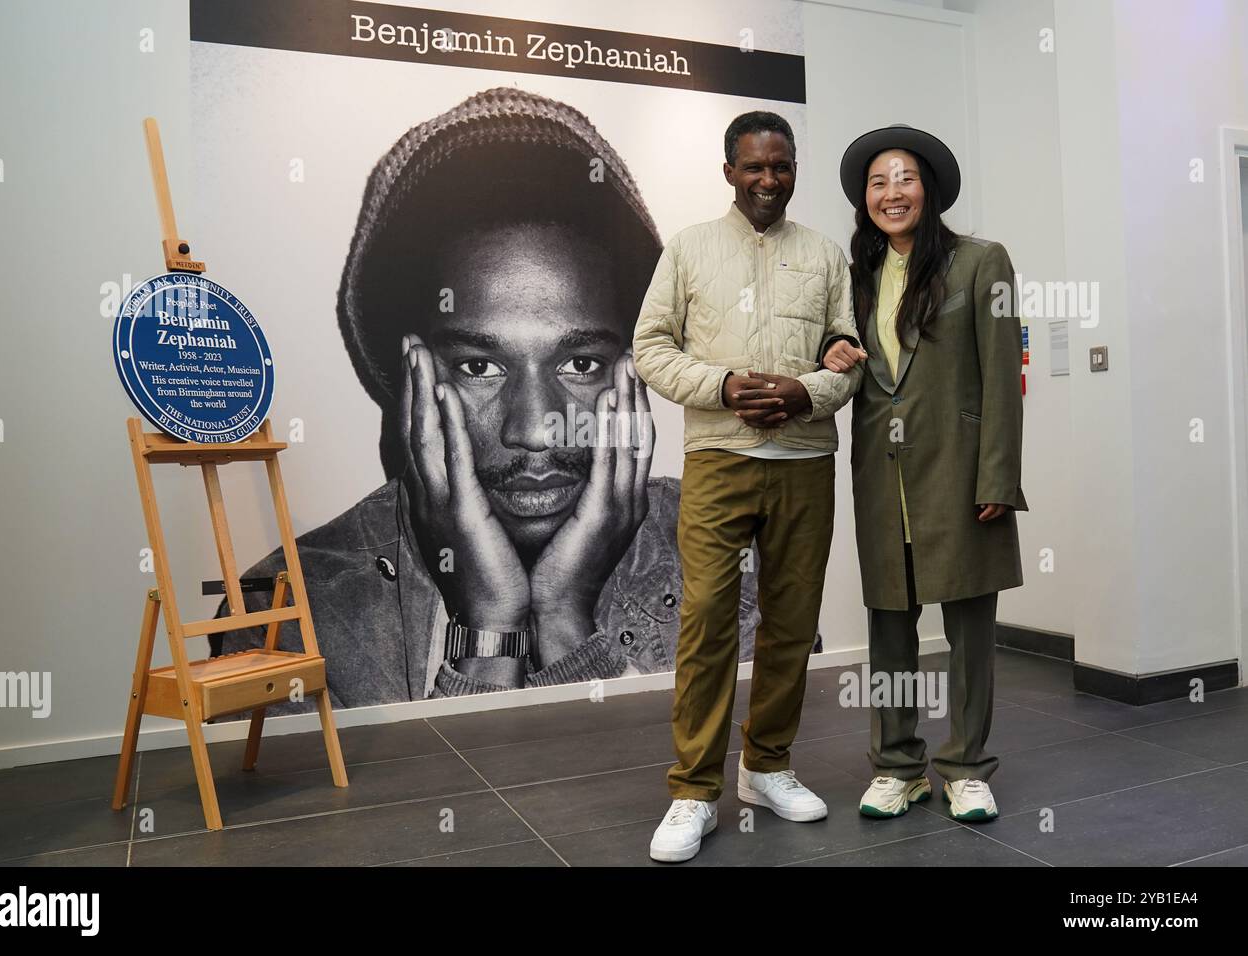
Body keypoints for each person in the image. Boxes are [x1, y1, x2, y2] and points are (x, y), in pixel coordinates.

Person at [214, 88, 765, 708]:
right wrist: (489, 635)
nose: (535, 430)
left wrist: (565, 618)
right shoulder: (289, 610)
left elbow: (733, 784)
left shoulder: (721, 546)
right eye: (479, 366)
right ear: (412, 377)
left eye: (580, 363)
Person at [634, 111, 862, 862]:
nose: (769, 180)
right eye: (755, 167)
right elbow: (650, 349)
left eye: (782, 166)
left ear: (794, 169)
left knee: (792, 622)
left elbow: (848, 353)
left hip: (804, 463)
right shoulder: (689, 249)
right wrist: (725, 385)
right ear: (729, 170)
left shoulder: (827, 255)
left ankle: (767, 767)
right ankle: (693, 790)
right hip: (719, 458)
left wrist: (809, 392)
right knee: (706, 618)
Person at [822, 124, 1028, 822]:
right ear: (865, 200)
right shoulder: (858, 275)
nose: (891, 193)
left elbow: (1003, 377)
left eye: (904, 178)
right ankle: (898, 765)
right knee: (888, 629)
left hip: (960, 473)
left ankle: (967, 765)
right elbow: (849, 352)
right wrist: (832, 350)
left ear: (929, 188)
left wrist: (998, 475)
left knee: (970, 627)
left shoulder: (980, 262)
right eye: (878, 183)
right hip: (884, 477)